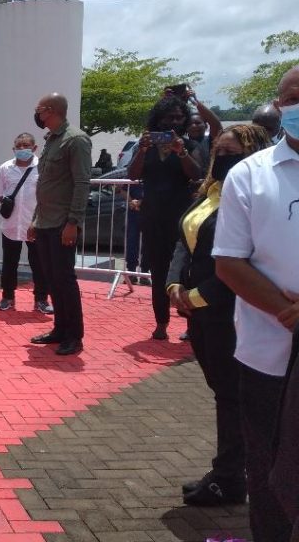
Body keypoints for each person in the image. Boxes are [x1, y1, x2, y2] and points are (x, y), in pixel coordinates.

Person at [213, 65, 299, 542]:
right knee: (269, 475)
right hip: (268, 355)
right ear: (279, 105)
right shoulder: (250, 175)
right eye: (293, 97)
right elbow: (229, 262)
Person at [167, 124, 271, 507]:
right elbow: (185, 242)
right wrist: (173, 285)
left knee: (233, 397)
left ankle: (231, 477)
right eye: (219, 151)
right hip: (200, 312)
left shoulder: (252, 198)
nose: (223, 159)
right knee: (224, 395)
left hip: (229, 311)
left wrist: (195, 296)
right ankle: (228, 471)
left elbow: (238, 261)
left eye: (233, 152)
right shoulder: (209, 194)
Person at [128, 95, 203, 341]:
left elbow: (196, 174)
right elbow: (132, 175)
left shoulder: (190, 146)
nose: (174, 122)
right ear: (158, 120)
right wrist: (142, 150)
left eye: (179, 117)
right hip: (153, 217)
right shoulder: (146, 147)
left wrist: (181, 152)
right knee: (158, 271)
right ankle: (161, 322)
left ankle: (191, 325)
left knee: (185, 272)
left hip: (181, 218)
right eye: (169, 117)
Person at [26, 93, 92, 356]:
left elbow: (81, 184)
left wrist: (73, 222)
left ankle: (74, 335)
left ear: (50, 110)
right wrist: (35, 220)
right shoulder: (51, 140)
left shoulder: (75, 140)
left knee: (65, 280)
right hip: (45, 221)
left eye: (39, 109)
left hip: (62, 223)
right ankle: (60, 329)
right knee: (52, 279)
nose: (37, 114)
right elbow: (47, 186)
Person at [0, 133, 52, 314]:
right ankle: (7, 297)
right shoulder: (4, 168)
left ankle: (41, 299)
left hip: (35, 225)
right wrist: (11, 207)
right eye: (18, 146)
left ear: (34, 148)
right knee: (9, 264)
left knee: (40, 264)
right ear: (14, 148)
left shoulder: (42, 168)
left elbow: (47, 197)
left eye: (25, 146)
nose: (22, 150)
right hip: (11, 225)